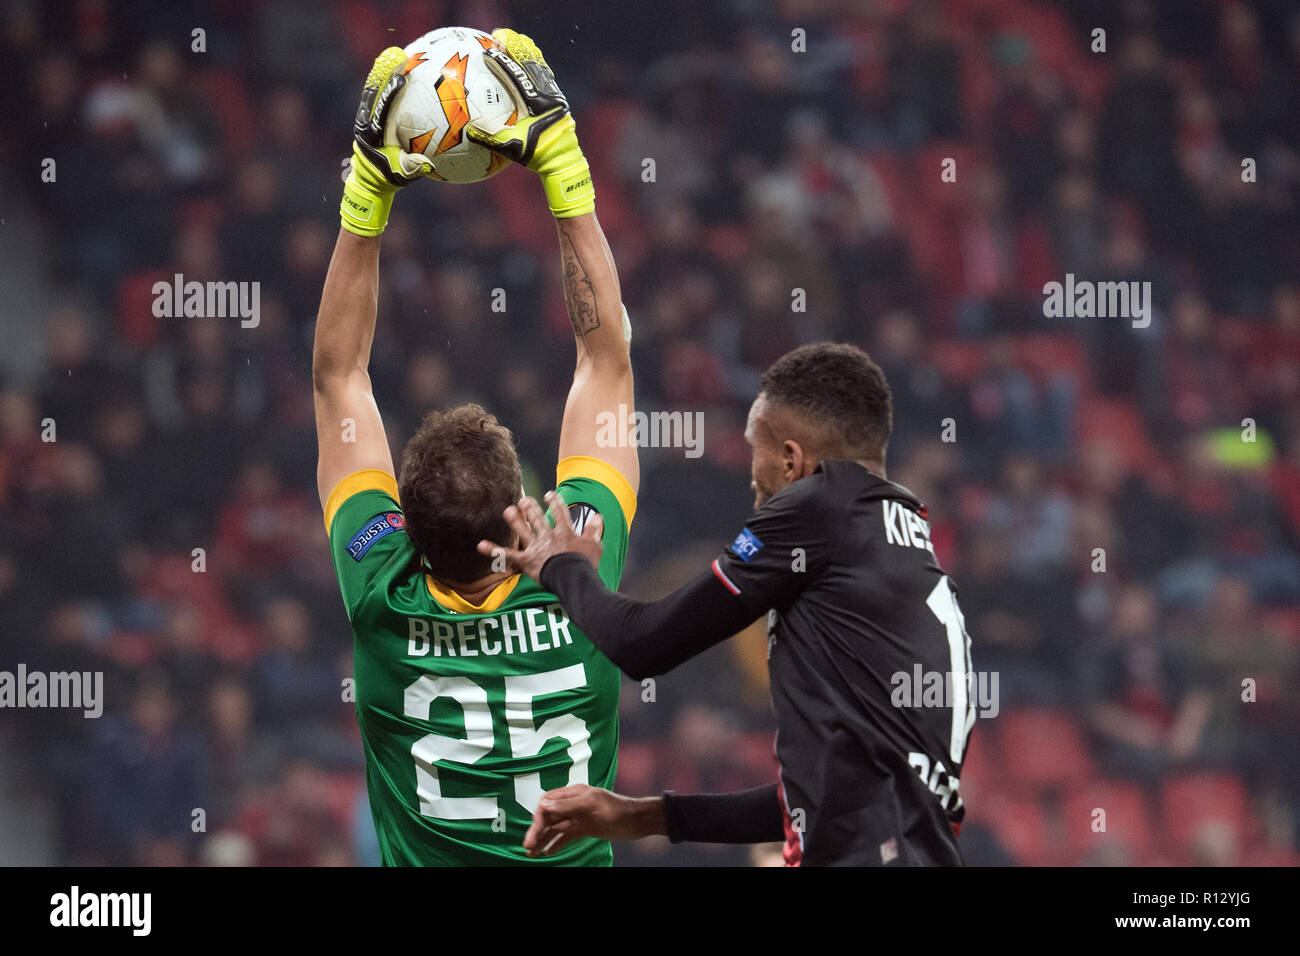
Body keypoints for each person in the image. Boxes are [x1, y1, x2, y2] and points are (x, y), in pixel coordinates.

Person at [313, 30, 637, 865]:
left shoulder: (381, 594)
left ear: (405, 534)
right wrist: (561, 164)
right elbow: (606, 363)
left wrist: (369, 188)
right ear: (524, 512)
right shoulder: (582, 573)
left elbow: (340, 378)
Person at [482, 343, 976, 865]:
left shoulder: (819, 506)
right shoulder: (910, 551)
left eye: (753, 450)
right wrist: (643, 816)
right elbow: (814, 802)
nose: (751, 476)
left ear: (791, 459)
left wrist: (563, 564)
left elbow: (644, 645)